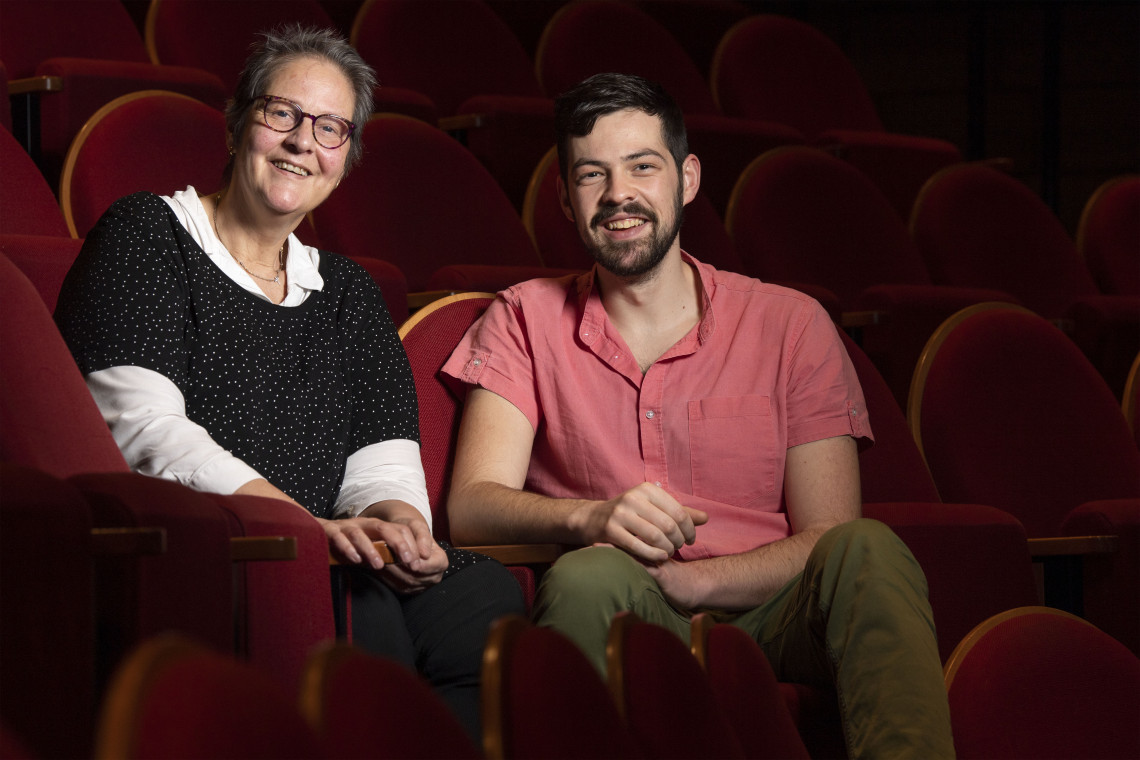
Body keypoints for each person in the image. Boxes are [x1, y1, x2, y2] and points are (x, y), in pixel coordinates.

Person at [441, 72, 954, 758]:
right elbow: (470, 506)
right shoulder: (524, 317)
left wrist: (702, 578)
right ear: (565, 199)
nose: (618, 193)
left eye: (642, 167)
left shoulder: (790, 323)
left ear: (686, 179)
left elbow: (830, 533)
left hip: (775, 607)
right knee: (585, 573)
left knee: (871, 550)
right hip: (622, 597)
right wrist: (590, 517)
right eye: (592, 174)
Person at [55, 24, 523, 738]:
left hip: (332, 549)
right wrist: (312, 533)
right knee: (357, 613)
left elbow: (382, 464)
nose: (304, 141)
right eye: (283, 114)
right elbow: (146, 432)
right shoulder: (147, 233)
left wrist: (400, 532)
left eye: (331, 128)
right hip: (214, 551)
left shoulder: (348, 293)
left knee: (480, 598)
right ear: (239, 122)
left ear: (345, 160)